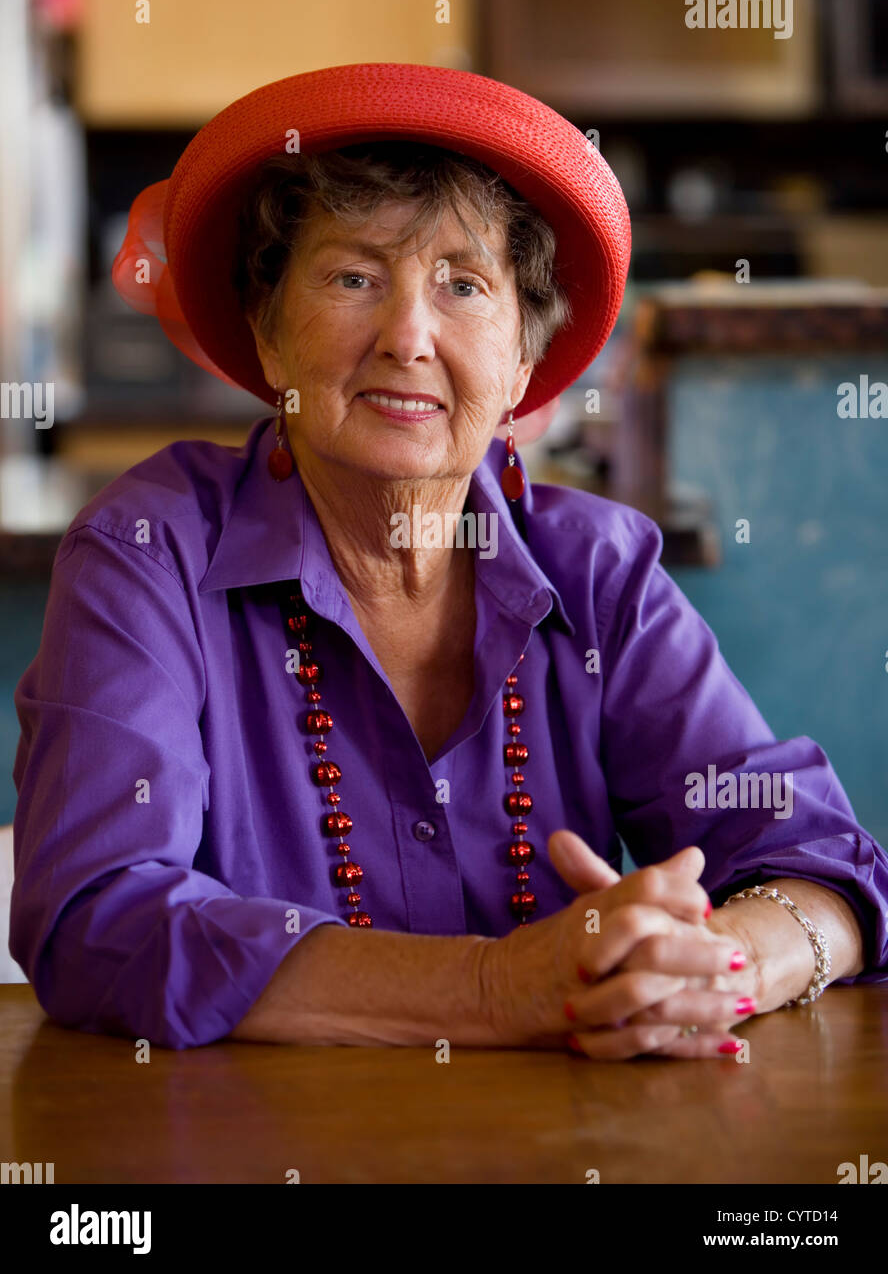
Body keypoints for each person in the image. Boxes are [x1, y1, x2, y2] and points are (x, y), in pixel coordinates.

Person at [11, 63, 888, 1056]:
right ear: (265, 330)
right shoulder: (152, 550)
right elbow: (97, 912)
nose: (409, 337)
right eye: (354, 278)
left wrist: (707, 967)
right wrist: (500, 984)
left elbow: (820, 862)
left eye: (463, 285)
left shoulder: (598, 573)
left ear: (521, 363)